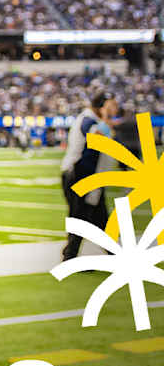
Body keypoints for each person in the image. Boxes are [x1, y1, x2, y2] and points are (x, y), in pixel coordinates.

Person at [59, 92, 118, 261]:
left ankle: (72, 255)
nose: (115, 109)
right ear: (101, 106)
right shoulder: (87, 119)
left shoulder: (94, 120)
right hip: (79, 175)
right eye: (111, 105)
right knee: (82, 216)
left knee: (96, 217)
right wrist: (106, 118)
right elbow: (96, 137)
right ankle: (70, 256)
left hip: (91, 176)